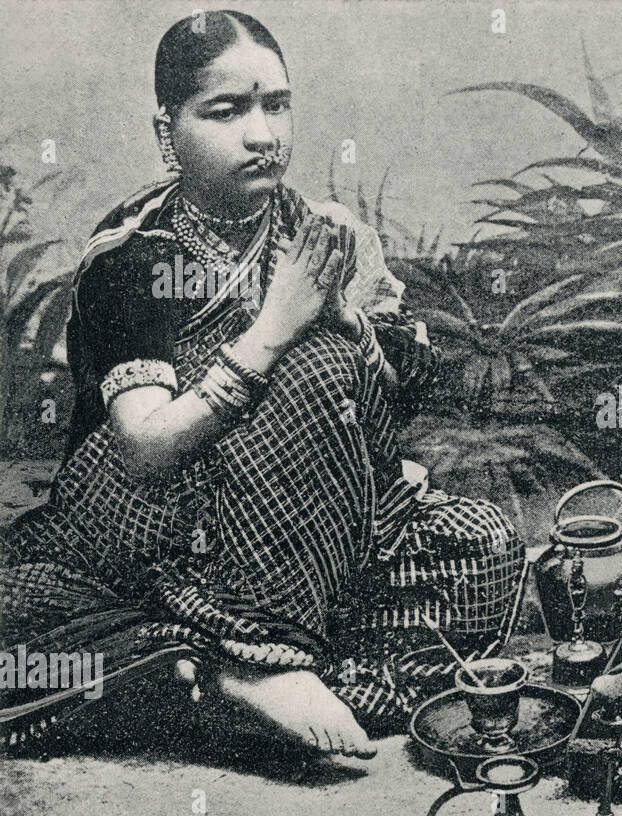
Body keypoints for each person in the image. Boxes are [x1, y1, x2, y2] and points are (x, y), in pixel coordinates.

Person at [0, 11, 525, 759]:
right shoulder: (134, 255)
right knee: (309, 364)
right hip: (159, 517)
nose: (262, 133)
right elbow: (146, 450)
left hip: (310, 527)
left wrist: (347, 318)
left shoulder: (322, 231)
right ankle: (256, 660)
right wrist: (277, 326)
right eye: (227, 110)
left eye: (276, 105)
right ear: (166, 132)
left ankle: (211, 673)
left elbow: (386, 418)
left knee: (484, 545)